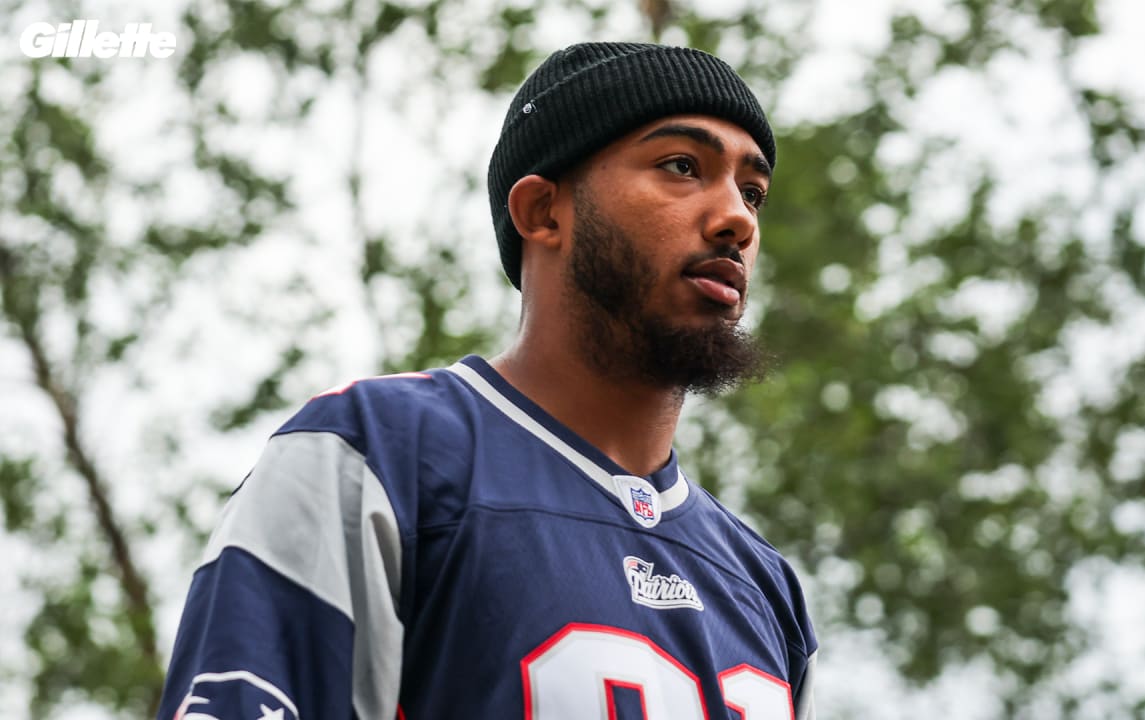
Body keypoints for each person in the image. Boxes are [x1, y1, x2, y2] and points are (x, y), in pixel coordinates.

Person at [158, 41, 818, 719]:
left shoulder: (763, 584)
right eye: (682, 166)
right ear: (541, 212)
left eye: (753, 192)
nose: (737, 218)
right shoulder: (376, 454)